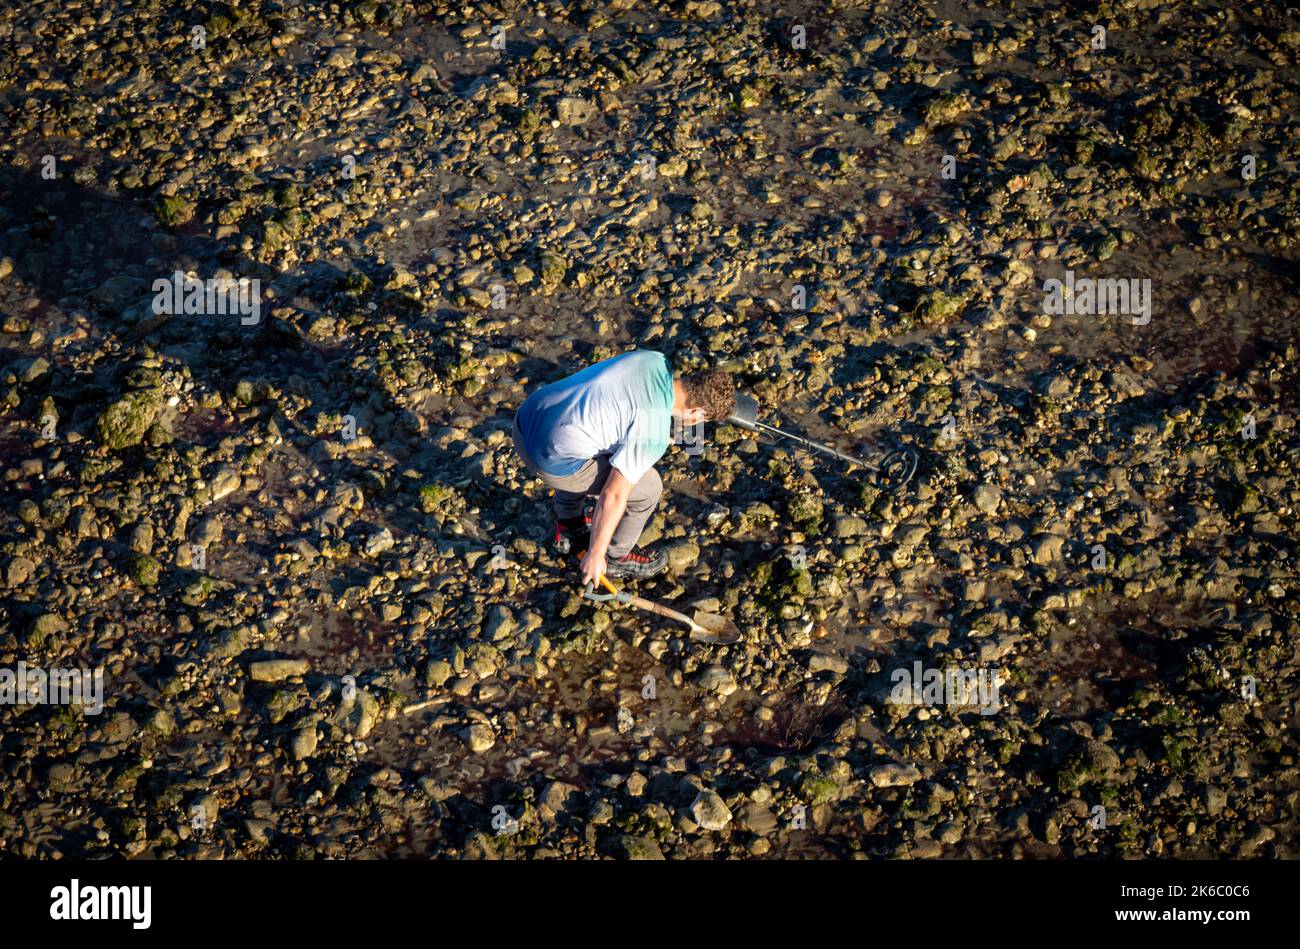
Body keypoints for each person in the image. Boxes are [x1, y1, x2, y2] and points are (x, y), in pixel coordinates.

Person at [512, 350, 735, 584]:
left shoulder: (655, 360)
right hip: (545, 459)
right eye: (703, 420)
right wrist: (596, 553)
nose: (698, 424)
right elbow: (613, 493)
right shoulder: (652, 434)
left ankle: (570, 521)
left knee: (601, 434)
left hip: (526, 419)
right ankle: (617, 556)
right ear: (698, 412)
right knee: (649, 487)